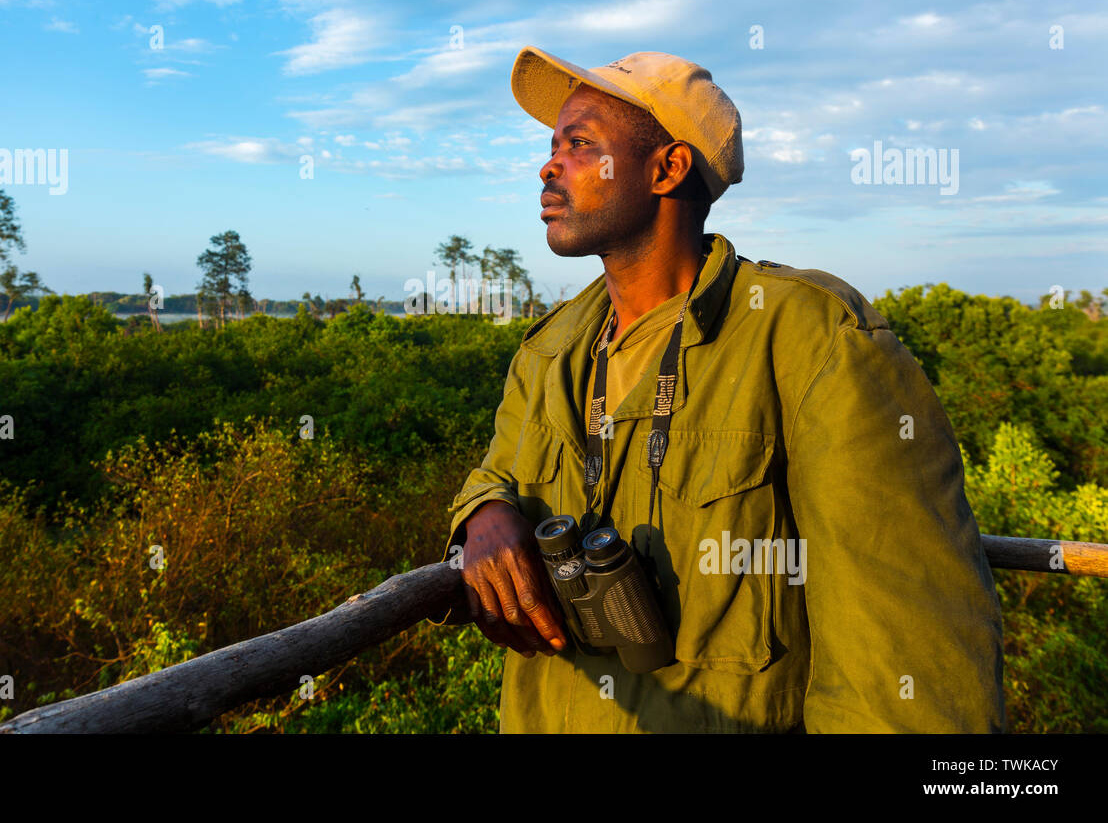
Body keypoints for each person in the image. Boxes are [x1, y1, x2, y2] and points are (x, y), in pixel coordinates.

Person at [429, 46, 1006, 733]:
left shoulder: (808, 339)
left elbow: (904, 657)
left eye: (580, 144)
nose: (549, 165)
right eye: (554, 146)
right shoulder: (550, 347)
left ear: (668, 168)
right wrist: (484, 515)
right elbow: (495, 474)